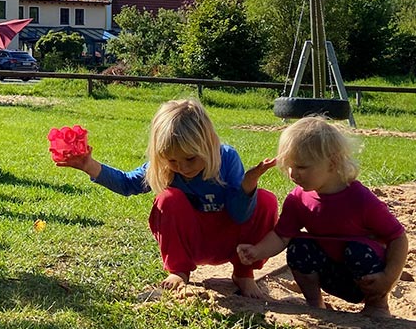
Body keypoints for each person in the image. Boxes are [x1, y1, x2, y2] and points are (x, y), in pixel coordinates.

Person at [57, 99, 279, 297]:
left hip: (230, 243)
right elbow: (127, 183)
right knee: (168, 198)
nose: (182, 167)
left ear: (209, 144)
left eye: (190, 159)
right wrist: (90, 166)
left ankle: (243, 273)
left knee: (266, 200)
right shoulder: (166, 167)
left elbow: (240, 215)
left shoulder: (227, 158)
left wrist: (248, 186)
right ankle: (179, 272)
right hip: (192, 243)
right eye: (172, 161)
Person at [236, 117, 408, 317]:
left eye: (301, 167)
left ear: (332, 163)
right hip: (329, 273)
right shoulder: (298, 199)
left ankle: (377, 306)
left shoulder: (360, 199)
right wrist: (257, 251)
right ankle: (315, 303)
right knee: (298, 247)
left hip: (368, 279)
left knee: (357, 250)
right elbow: (282, 236)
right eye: (289, 166)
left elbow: (398, 237)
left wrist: (388, 278)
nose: (293, 174)